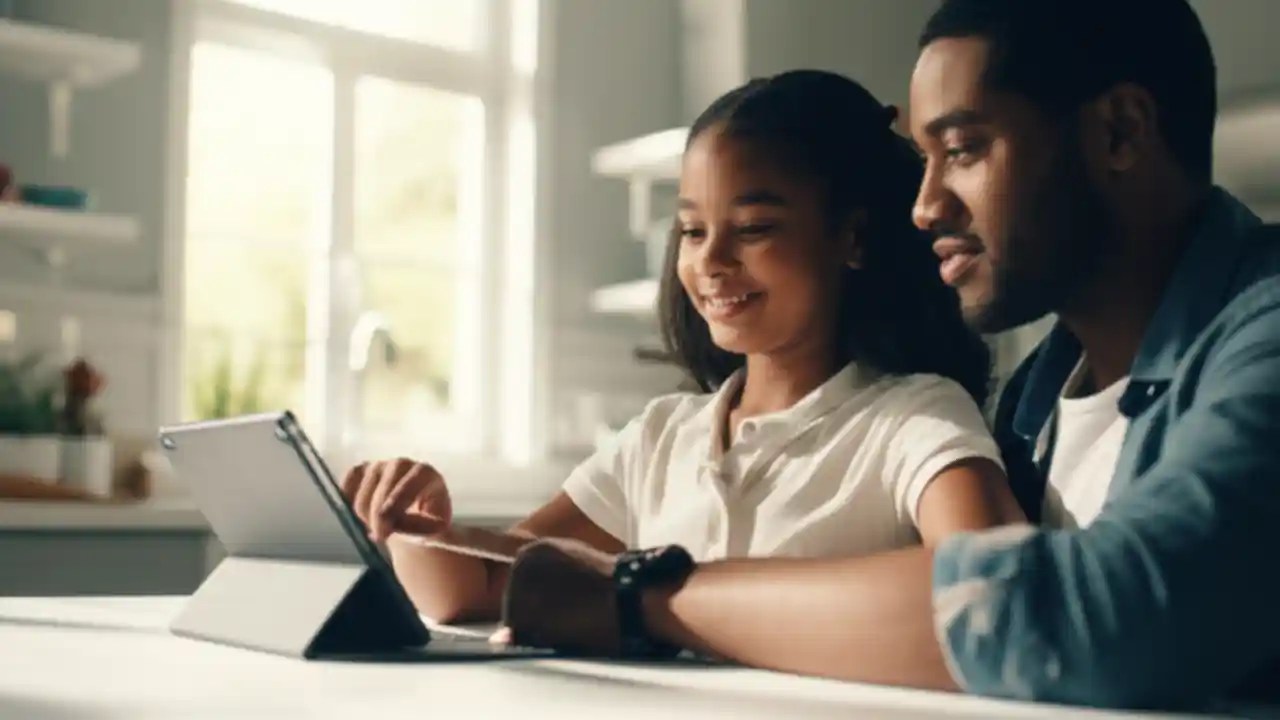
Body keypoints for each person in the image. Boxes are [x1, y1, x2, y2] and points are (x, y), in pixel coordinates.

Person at [494, 0, 1280, 710]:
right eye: (925, 158)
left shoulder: (1262, 335)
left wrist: (639, 597)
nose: (925, 204)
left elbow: (1101, 615)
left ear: (1120, 132)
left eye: (965, 149)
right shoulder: (1038, 399)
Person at [339, 70, 1023, 625]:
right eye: (693, 231)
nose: (712, 261)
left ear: (853, 238)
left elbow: (997, 584)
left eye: (753, 227)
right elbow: (477, 588)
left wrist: (674, 597)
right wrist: (419, 520)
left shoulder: (915, 417)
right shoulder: (664, 436)